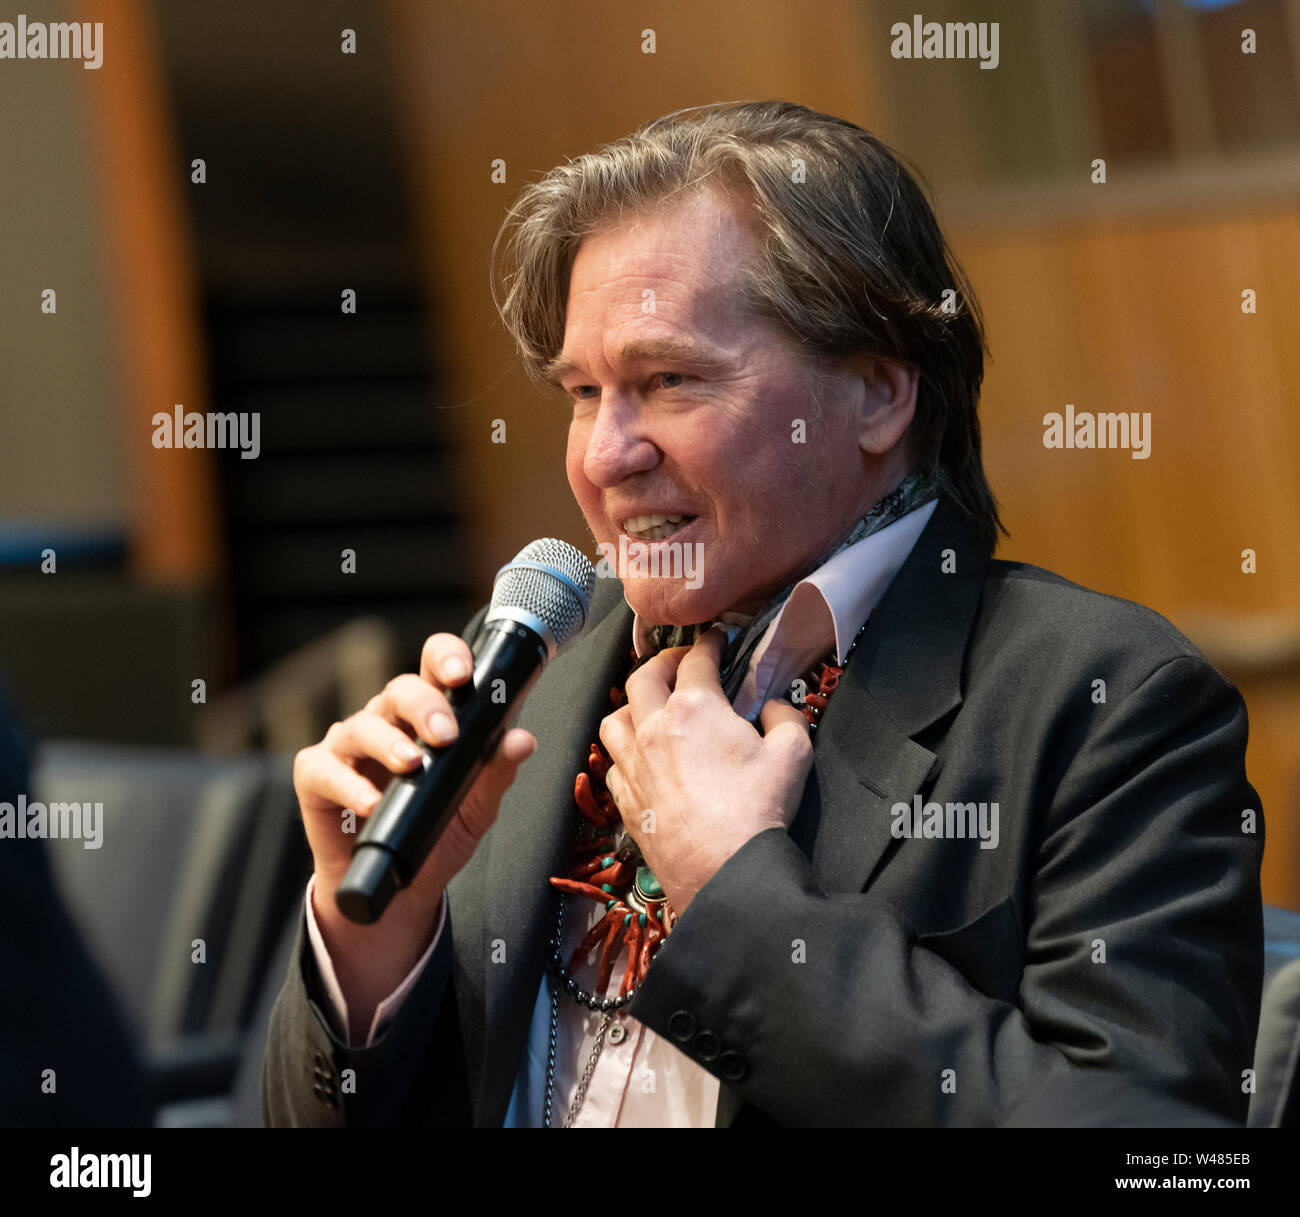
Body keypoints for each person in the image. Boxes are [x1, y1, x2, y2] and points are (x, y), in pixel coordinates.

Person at [262, 100, 1264, 1127]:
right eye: (582, 392)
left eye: (669, 380)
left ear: (876, 392)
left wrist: (741, 897)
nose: (605, 457)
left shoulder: (1100, 699)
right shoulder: (534, 669)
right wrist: (376, 947)